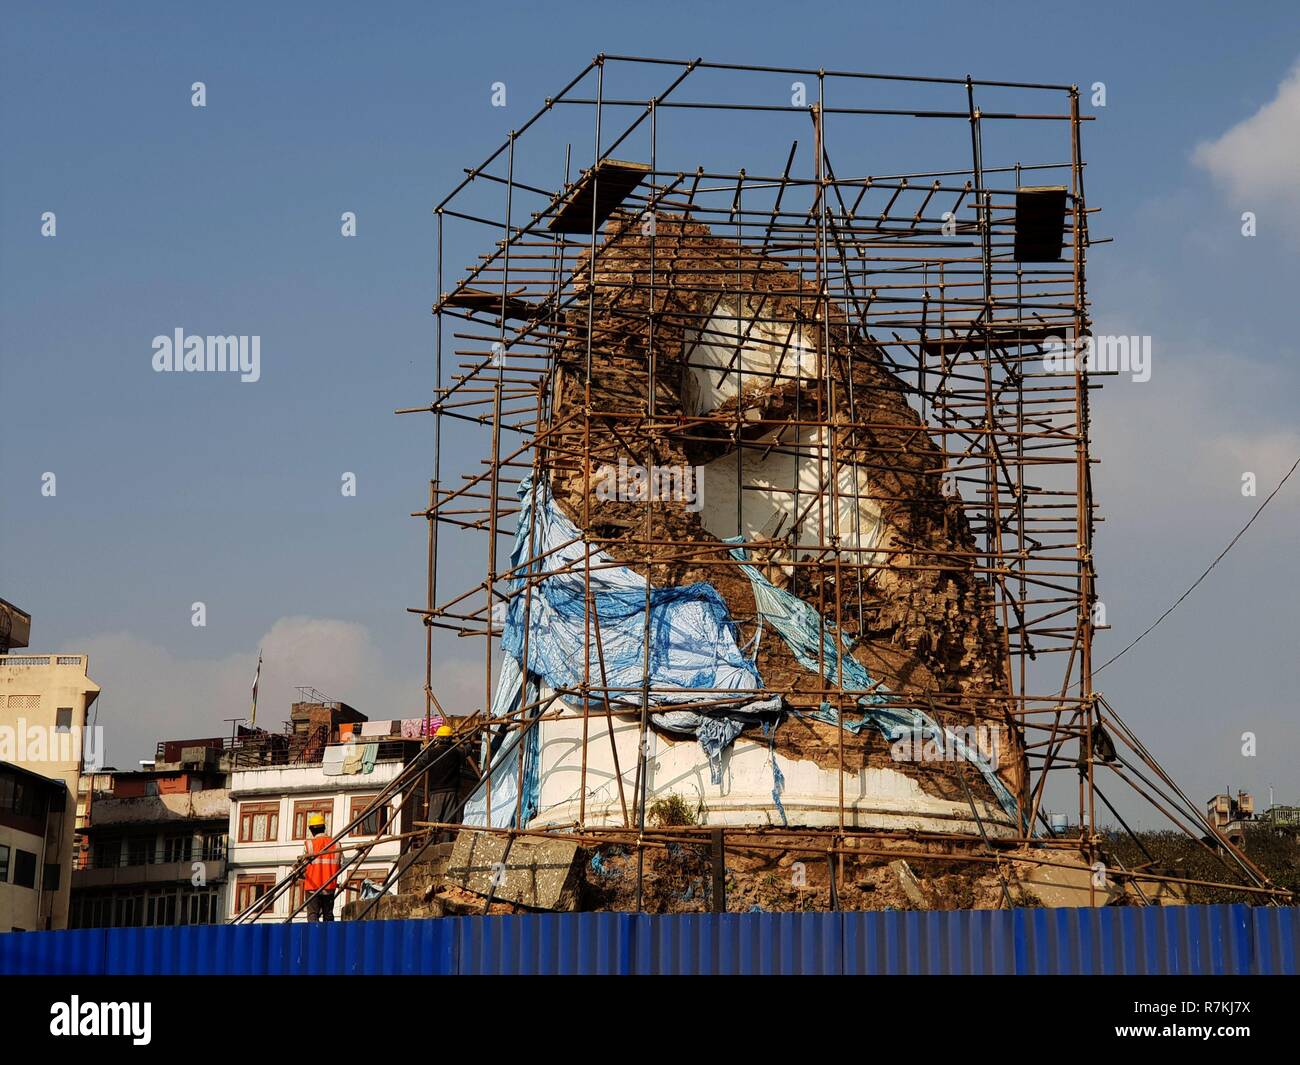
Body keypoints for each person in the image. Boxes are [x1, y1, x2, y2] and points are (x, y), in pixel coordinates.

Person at [427, 724, 467, 843]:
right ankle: (445, 843)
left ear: (438, 739)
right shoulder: (456, 752)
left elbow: (419, 765)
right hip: (451, 791)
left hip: (436, 792)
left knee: (433, 821)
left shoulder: (431, 753)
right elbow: (467, 750)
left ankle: (429, 844)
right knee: (448, 821)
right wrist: (466, 739)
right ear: (450, 739)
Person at [302, 812, 341, 922]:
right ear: (324, 827)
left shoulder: (309, 844)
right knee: (328, 915)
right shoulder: (336, 844)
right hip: (329, 886)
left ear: (311, 830)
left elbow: (303, 866)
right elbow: (340, 865)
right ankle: (329, 937)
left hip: (312, 887)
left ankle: (314, 937)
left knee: (313, 915)